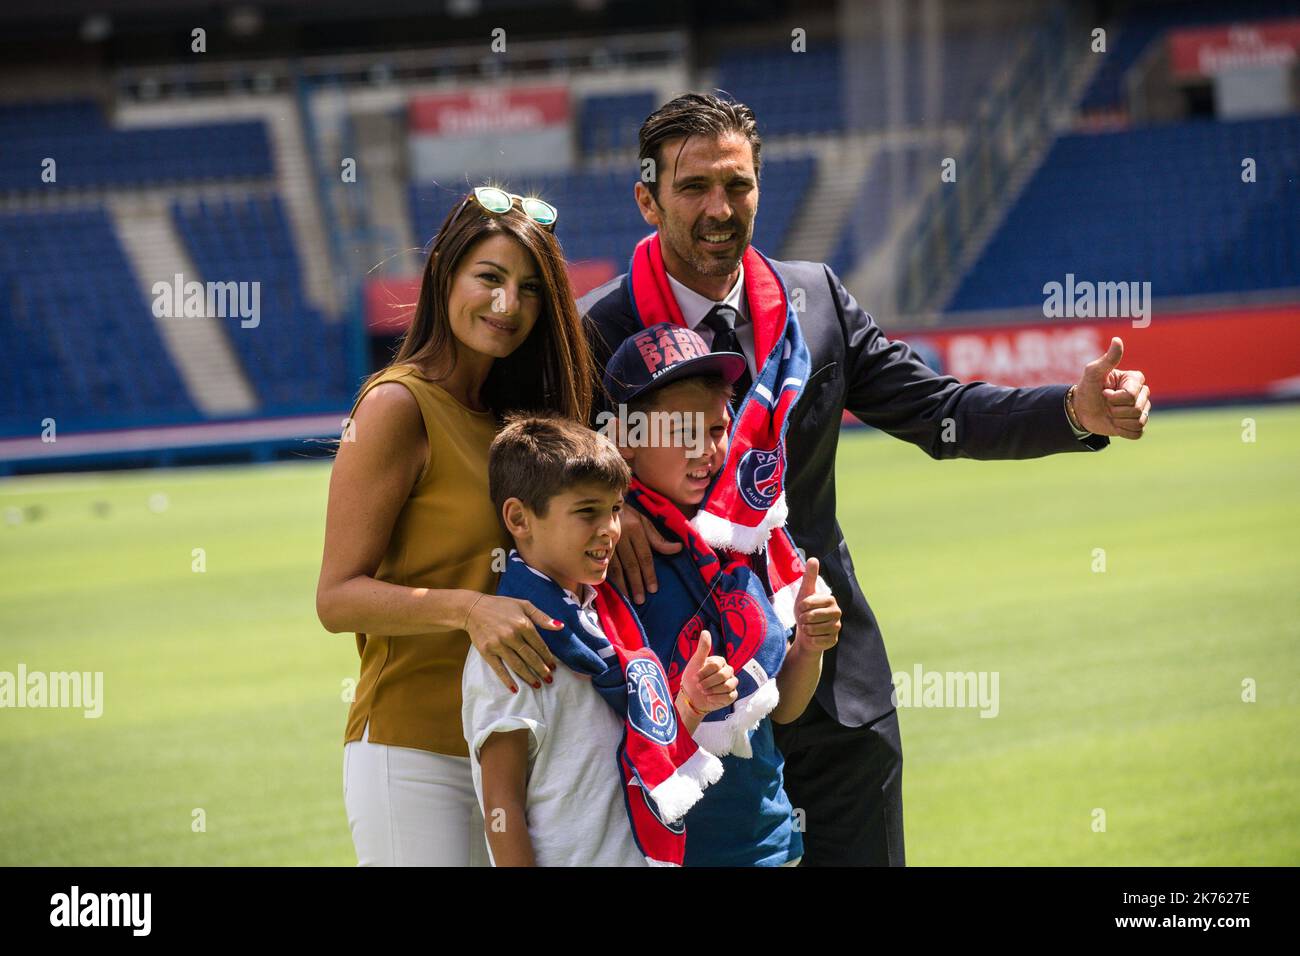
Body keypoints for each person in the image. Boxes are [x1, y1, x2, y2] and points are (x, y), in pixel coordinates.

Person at [579, 93, 1152, 866]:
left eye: (738, 185)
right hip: (681, 716)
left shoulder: (815, 301)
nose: (720, 207)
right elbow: (541, 477)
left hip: (832, 676)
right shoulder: (592, 332)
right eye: (694, 188)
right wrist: (609, 506)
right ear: (647, 198)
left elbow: (941, 409)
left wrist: (1074, 413)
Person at [316, 186, 597, 866]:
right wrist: (470, 609)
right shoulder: (395, 406)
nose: (507, 306)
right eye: (489, 279)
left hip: (524, 750)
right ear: (445, 273)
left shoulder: (518, 423)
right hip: (417, 751)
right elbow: (336, 599)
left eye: (530, 289)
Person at [604, 322, 843, 866]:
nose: (707, 450)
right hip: (656, 848)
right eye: (681, 430)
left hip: (764, 842)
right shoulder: (604, 549)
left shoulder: (747, 535)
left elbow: (783, 712)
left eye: (716, 429)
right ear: (624, 438)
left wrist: (809, 643)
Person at [463, 415, 737, 866]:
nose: (610, 528)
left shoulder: (610, 621)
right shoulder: (514, 647)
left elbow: (646, 751)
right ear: (519, 518)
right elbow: (501, 804)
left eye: (614, 509)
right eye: (587, 511)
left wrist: (690, 703)